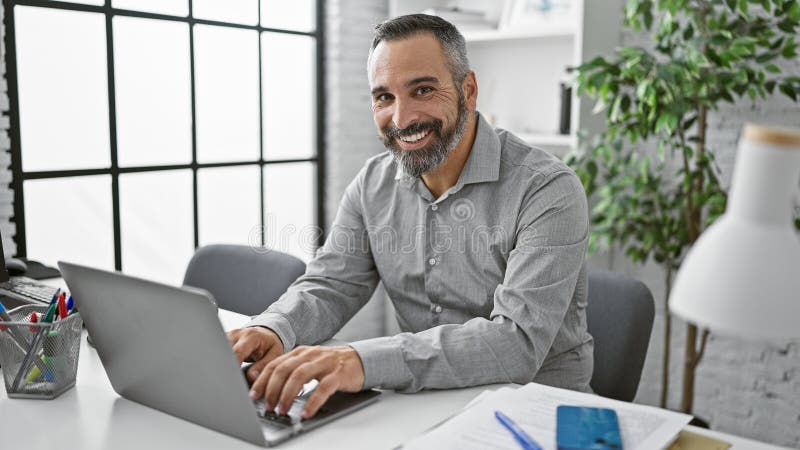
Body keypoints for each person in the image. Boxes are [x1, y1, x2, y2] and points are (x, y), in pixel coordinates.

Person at [227, 13, 593, 420]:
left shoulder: (547, 189)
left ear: (467, 91)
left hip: (537, 412)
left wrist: (361, 361)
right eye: (384, 97)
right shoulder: (372, 183)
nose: (401, 119)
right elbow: (331, 283)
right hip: (426, 406)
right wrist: (275, 328)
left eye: (422, 89)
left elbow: (516, 342)